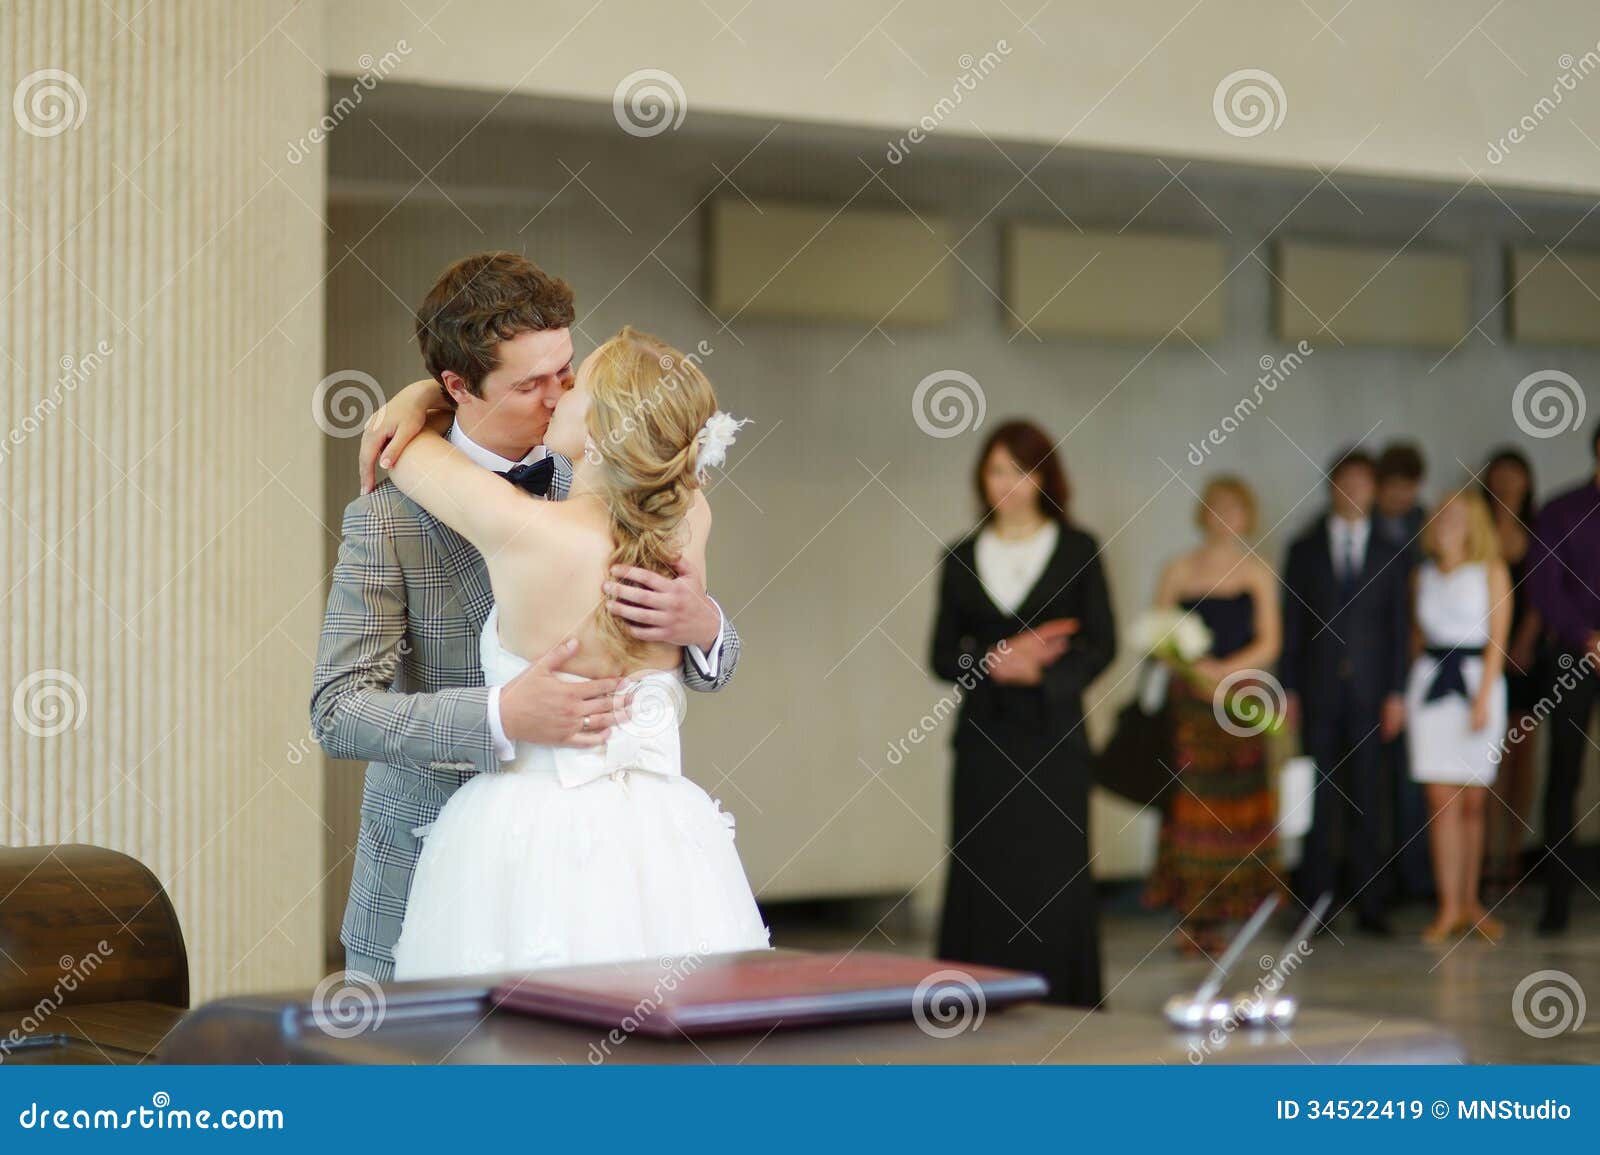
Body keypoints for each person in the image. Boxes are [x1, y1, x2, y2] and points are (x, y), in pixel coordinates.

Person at [311, 253, 744, 981]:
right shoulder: (387, 520)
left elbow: (708, 665)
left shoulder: (614, 485)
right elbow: (337, 710)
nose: (557, 397)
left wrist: (706, 627)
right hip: (427, 881)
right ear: (458, 386)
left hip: (608, 890)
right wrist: (501, 715)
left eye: (567, 374)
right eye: (529, 383)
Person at [929, 420, 1115, 1006]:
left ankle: (1062, 993)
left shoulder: (1078, 547)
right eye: (996, 470)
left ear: (1044, 478)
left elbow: (1103, 644)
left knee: (1052, 870)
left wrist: (1042, 671)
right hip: (985, 738)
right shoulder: (958, 556)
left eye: (1020, 470)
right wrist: (991, 659)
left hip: (1054, 737)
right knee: (985, 869)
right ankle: (976, 994)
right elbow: (940, 655)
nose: (1006, 483)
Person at [1142, 477, 1283, 956]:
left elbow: (1270, 641)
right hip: (1189, 706)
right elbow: (1156, 635)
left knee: (1238, 806)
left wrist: (1224, 672)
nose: (1224, 515)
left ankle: (1233, 913)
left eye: (1234, 507)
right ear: (1203, 513)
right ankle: (1191, 917)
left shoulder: (1257, 571)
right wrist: (1192, 670)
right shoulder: (1177, 570)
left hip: (1238, 702)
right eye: (1216, 506)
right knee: (1189, 808)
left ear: (1247, 516)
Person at [1281, 448, 1409, 936]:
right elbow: (1293, 624)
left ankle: (1371, 903)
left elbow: (1398, 630)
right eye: (1345, 481)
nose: (1353, 491)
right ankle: (1314, 903)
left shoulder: (1390, 551)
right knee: (1316, 797)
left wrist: (1396, 692)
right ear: (1331, 488)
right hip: (1316, 692)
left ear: (1373, 491)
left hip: (1372, 694)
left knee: (1368, 799)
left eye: (1363, 482)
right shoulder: (1304, 549)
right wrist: (1289, 686)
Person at [1405, 489, 1510, 944]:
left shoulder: (1491, 571)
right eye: (1443, 515)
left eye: (1458, 516)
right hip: (1431, 685)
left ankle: (1472, 902)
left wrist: (1484, 696)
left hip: (1475, 683)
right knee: (1439, 800)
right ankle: (1448, 905)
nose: (1448, 522)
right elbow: (1414, 636)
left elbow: (1497, 641)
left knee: (1472, 801)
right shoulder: (1421, 575)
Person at [1525, 421, 1600, 935]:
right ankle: (1556, 903)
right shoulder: (1562, 510)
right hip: (1575, 657)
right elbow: (1543, 585)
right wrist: (1585, 635)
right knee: (1564, 776)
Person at [1480, 449, 1542, 890]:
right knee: (1489, 759)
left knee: (1523, 758)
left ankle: (1514, 850)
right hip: (1482, 656)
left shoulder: (1538, 531)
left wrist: (1523, 642)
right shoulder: (1476, 530)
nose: (1505, 484)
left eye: (1513, 475)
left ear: (1526, 481)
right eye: (1498, 476)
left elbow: (1543, 595)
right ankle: (1485, 853)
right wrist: (1491, 649)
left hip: (1526, 657)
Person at [1374, 442, 1431, 902]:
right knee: (1380, 780)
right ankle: (1381, 878)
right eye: (1393, 488)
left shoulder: (1425, 524)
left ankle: (1417, 876)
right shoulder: (1360, 525)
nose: (1401, 496)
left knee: (1418, 777)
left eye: (1408, 488)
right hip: (1378, 668)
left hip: (1425, 665)